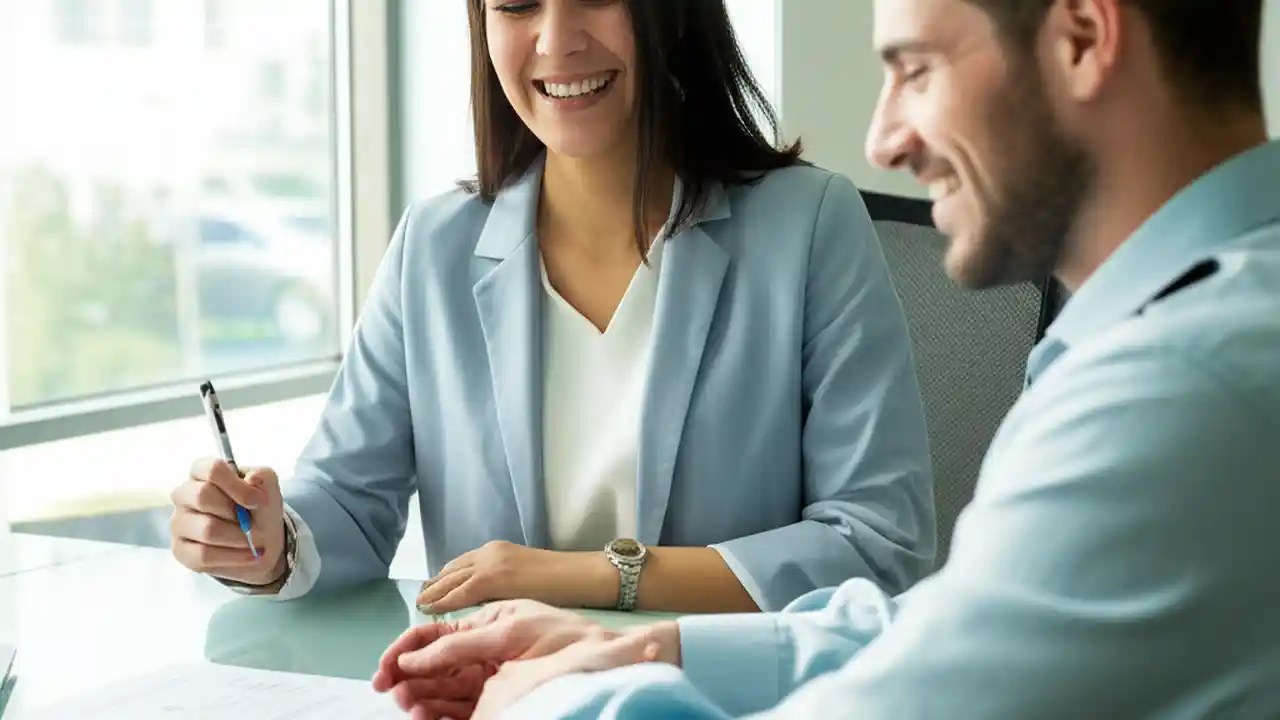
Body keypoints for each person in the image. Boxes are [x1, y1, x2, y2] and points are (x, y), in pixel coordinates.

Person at [370, 0, 1280, 717]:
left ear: (1082, 38)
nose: (886, 139)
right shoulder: (1193, 332)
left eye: (916, 69)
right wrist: (637, 648)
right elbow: (937, 637)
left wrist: (554, 702)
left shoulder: (1175, 398)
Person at [168, 0, 935, 616]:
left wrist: (594, 577)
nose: (557, 41)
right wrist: (269, 543)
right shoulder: (433, 246)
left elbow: (876, 544)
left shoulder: (807, 225)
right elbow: (345, 501)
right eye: (517, 5)